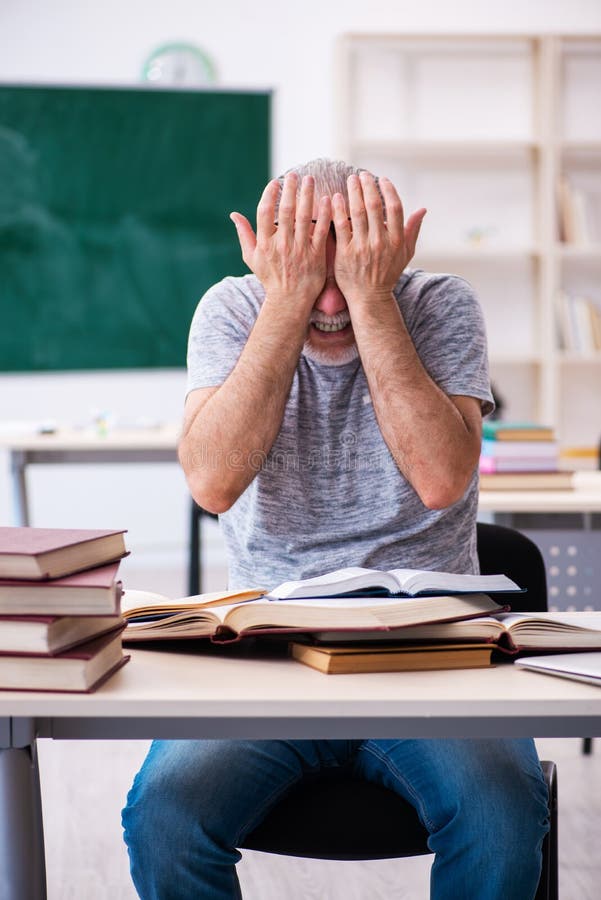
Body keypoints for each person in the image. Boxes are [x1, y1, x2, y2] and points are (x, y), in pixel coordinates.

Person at [122, 158, 549, 900]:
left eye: (347, 266)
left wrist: (373, 297)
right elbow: (213, 483)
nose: (329, 300)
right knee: (164, 815)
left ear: (390, 245)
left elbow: (441, 478)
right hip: (266, 643)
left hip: (430, 647)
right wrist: (281, 304)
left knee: (502, 817)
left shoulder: (439, 303)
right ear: (267, 249)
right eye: (305, 269)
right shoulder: (232, 307)